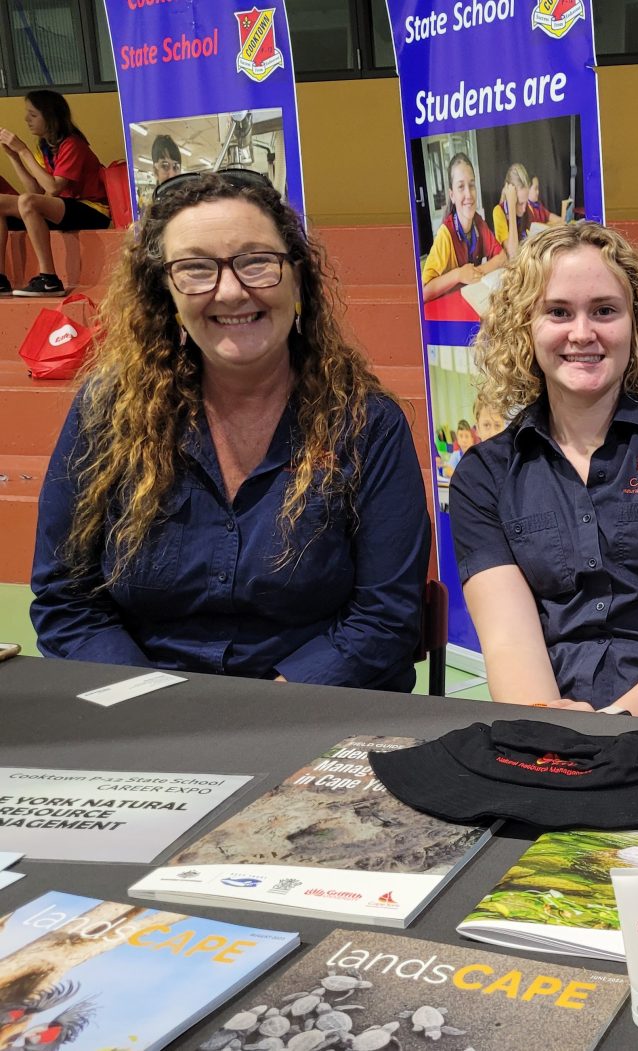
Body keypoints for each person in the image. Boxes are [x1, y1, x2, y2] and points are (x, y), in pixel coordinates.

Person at [30, 169, 431, 691]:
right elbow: (66, 598)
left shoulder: (367, 424)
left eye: (256, 261)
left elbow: (385, 617)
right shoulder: (106, 412)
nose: (231, 291)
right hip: (140, 709)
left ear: (297, 276)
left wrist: (255, 712)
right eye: (195, 268)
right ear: (165, 292)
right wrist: (152, 704)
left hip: (316, 709)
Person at [449, 222, 638, 725]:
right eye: (558, 312)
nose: (582, 333)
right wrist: (559, 733)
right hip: (554, 734)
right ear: (525, 326)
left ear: (637, 323)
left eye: (605, 311)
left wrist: (611, 725)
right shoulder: (484, 476)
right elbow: (509, 643)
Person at [0, 90, 110, 297]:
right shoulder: (45, 146)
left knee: (27, 202)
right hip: (63, 207)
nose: (26, 119)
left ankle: (49, 279)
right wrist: (14, 157)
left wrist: (23, 151)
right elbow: (36, 191)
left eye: (33, 115)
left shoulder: (73, 144)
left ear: (50, 117)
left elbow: (53, 188)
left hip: (92, 209)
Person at [421, 152, 503, 301]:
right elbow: (424, 292)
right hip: (449, 307)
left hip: (471, 299)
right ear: (452, 195)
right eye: (461, 187)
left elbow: (502, 257)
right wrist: (458, 275)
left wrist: (475, 272)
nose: (469, 194)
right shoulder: (445, 234)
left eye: (471, 185)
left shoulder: (478, 222)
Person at [492, 162, 562, 248]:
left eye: (526, 202)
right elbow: (512, 252)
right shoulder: (499, 212)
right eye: (520, 203)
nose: (524, 208)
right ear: (511, 197)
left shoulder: (527, 209)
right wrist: (511, 207)